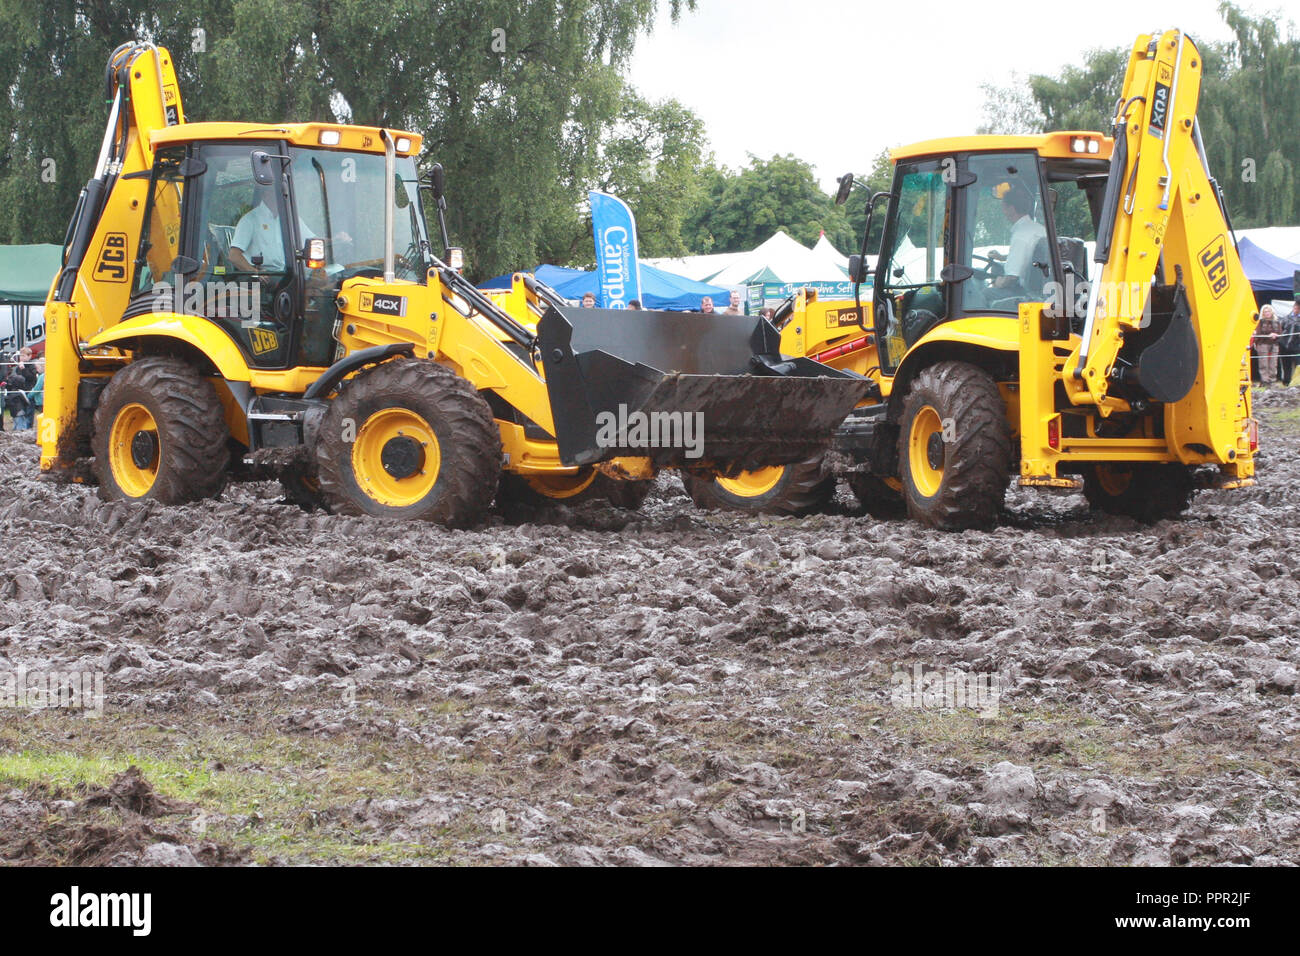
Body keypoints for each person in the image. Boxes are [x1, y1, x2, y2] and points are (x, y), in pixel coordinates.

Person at [229, 181, 313, 274]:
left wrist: (331, 240)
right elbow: (234, 256)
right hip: (265, 275)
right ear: (265, 194)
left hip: (289, 273)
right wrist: (255, 272)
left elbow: (313, 242)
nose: (284, 196)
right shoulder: (250, 220)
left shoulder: (290, 218)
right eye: (279, 192)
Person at [987, 182, 1046, 289]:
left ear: (1011, 209)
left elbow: (1012, 277)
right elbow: (1029, 256)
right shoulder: (1039, 229)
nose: (1003, 211)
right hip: (1039, 286)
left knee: (983, 293)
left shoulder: (1020, 236)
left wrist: (998, 283)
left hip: (1024, 291)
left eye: (1004, 207)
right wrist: (1001, 257)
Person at [3, 346, 37, 430]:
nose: (22, 358)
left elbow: (32, 378)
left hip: (29, 391)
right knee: (20, 411)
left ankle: (28, 428)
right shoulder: (18, 367)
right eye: (21, 356)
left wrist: (24, 369)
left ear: (29, 356)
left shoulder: (32, 366)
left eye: (24, 356)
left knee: (29, 411)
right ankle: (22, 428)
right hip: (20, 392)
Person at [1253, 304, 1282, 386]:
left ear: (1271, 311)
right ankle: (1265, 381)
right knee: (1263, 363)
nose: (1267, 313)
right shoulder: (1259, 322)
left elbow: (1280, 333)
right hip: (1262, 344)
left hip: (1274, 344)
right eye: (1265, 311)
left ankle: (1272, 380)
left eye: (1268, 311)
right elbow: (1257, 333)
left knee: (1273, 363)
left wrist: (1275, 335)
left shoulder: (1277, 321)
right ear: (1262, 313)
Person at [1279, 301, 1300, 387]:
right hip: (1284, 345)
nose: (1296, 310)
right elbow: (1280, 329)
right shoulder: (1286, 318)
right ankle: (1286, 382)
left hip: (1297, 346)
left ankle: (1297, 382)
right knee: (1286, 365)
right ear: (1293, 307)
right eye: (1295, 308)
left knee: (1298, 365)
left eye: (1298, 308)